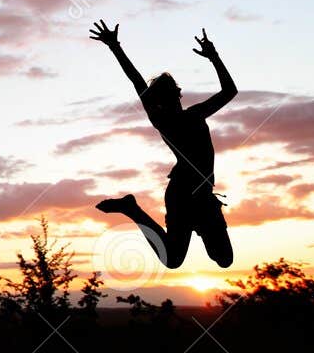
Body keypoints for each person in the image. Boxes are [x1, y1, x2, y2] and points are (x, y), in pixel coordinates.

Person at [89, 21, 237, 268]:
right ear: (163, 99)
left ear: (178, 95)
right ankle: (131, 210)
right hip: (181, 195)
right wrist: (115, 47)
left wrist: (214, 57)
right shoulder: (166, 119)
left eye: (172, 94)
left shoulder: (192, 114)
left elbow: (230, 91)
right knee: (173, 259)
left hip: (202, 196)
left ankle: (137, 210)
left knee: (223, 259)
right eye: (165, 96)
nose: (172, 99)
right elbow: (137, 81)